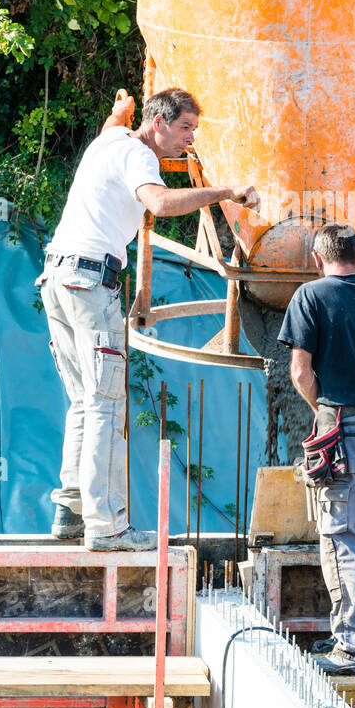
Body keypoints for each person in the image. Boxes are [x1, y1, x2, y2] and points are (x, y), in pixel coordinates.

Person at [37, 87, 258, 551]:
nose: (189, 139)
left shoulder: (110, 140)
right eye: (184, 128)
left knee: (83, 401)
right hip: (89, 282)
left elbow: (111, 124)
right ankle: (108, 527)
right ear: (158, 124)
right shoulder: (141, 159)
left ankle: (71, 511)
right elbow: (158, 204)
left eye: (193, 130)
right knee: (105, 404)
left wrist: (120, 110)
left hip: (59, 279)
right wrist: (226, 192)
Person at [277, 223, 355, 676]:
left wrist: (321, 410)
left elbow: (300, 372)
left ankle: (350, 649)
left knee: (342, 539)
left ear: (316, 258)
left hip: (343, 431)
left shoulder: (310, 296)